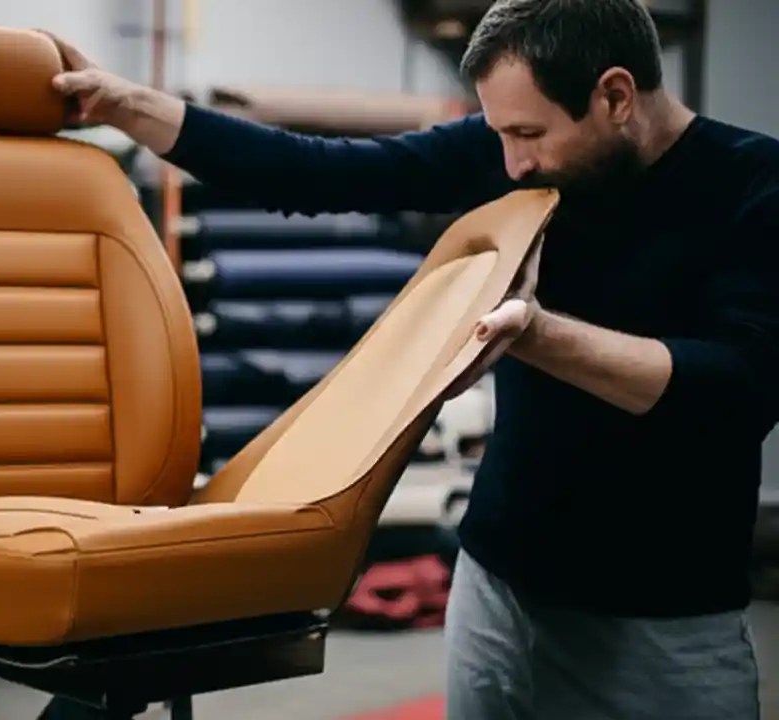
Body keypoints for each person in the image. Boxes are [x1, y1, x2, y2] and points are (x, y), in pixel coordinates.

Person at [44, 0, 779, 717]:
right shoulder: (512, 152)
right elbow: (312, 172)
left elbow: (739, 388)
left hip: (663, 622)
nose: (513, 163)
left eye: (529, 133)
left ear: (614, 96)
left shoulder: (752, 183)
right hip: (499, 587)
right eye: (499, 132)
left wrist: (537, 335)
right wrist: (127, 104)